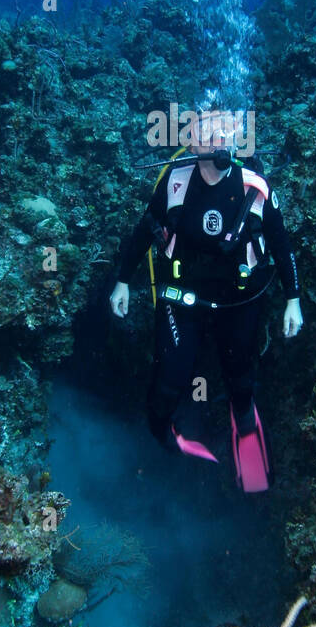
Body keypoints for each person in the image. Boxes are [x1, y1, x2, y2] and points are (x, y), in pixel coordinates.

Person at [109, 111, 303, 492]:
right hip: (183, 300)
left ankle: (245, 422)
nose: (218, 142)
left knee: (240, 379)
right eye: (207, 134)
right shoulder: (175, 182)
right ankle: (165, 434)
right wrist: (122, 281)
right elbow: (142, 232)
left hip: (239, 301)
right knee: (169, 382)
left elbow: (281, 245)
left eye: (226, 134)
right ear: (192, 143)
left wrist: (293, 298)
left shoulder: (255, 187)